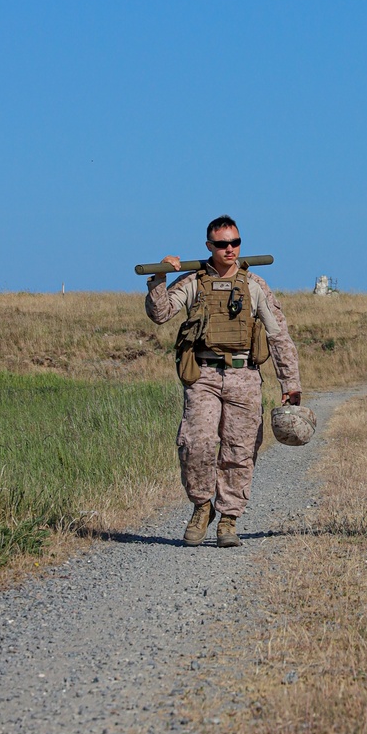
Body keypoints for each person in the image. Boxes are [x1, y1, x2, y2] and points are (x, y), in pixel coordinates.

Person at [145, 216, 302, 547]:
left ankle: (229, 518)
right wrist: (159, 277)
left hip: (244, 377)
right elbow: (160, 313)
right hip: (202, 375)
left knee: (240, 450)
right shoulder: (193, 283)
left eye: (235, 243)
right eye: (221, 244)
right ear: (209, 247)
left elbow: (279, 337)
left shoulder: (255, 285)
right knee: (196, 443)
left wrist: (290, 384)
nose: (229, 249)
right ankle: (202, 507)